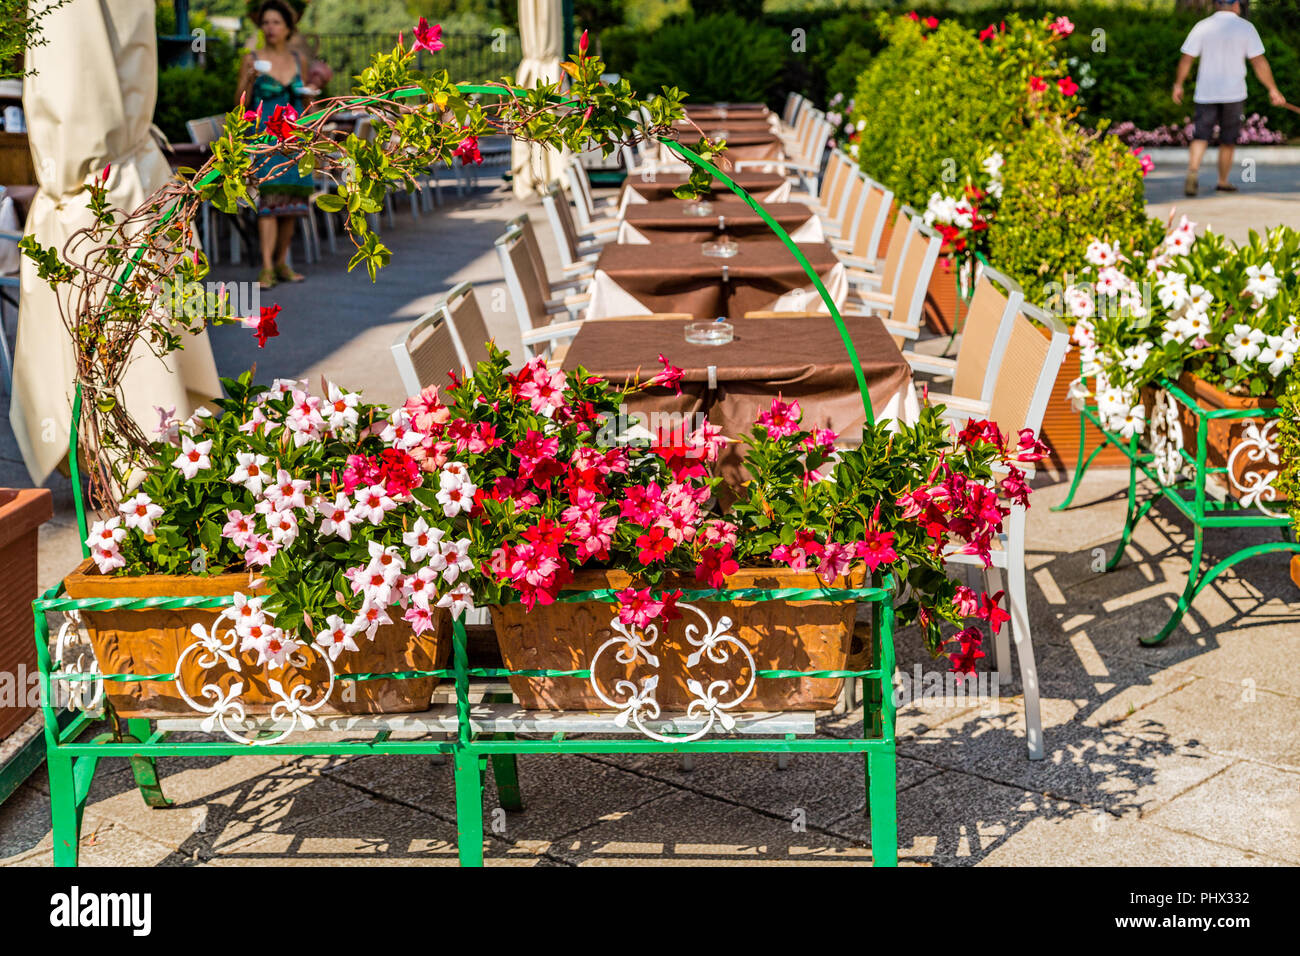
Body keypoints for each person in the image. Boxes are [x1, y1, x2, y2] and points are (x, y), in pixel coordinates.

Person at [235, 0, 320, 288]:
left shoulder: (299, 60)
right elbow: (239, 105)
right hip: (265, 140)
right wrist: (249, 79)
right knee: (269, 199)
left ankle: (282, 262)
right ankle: (267, 267)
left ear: (287, 28)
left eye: (276, 23)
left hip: (294, 139)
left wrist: (310, 98)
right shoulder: (252, 58)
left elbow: (305, 104)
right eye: (266, 22)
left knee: (294, 202)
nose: (270, 28)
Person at [1172, 0, 1285, 196]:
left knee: (1200, 135)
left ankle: (1192, 173)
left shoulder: (1203, 26)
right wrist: (1272, 89)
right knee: (1228, 139)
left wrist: (1178, 84)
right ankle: (1222, 181)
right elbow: (1258, 62)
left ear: (1217, 5)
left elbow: (1187, 58)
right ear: (1236, 6)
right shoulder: (1246, 28)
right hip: (1234, 93)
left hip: (1206, 92)